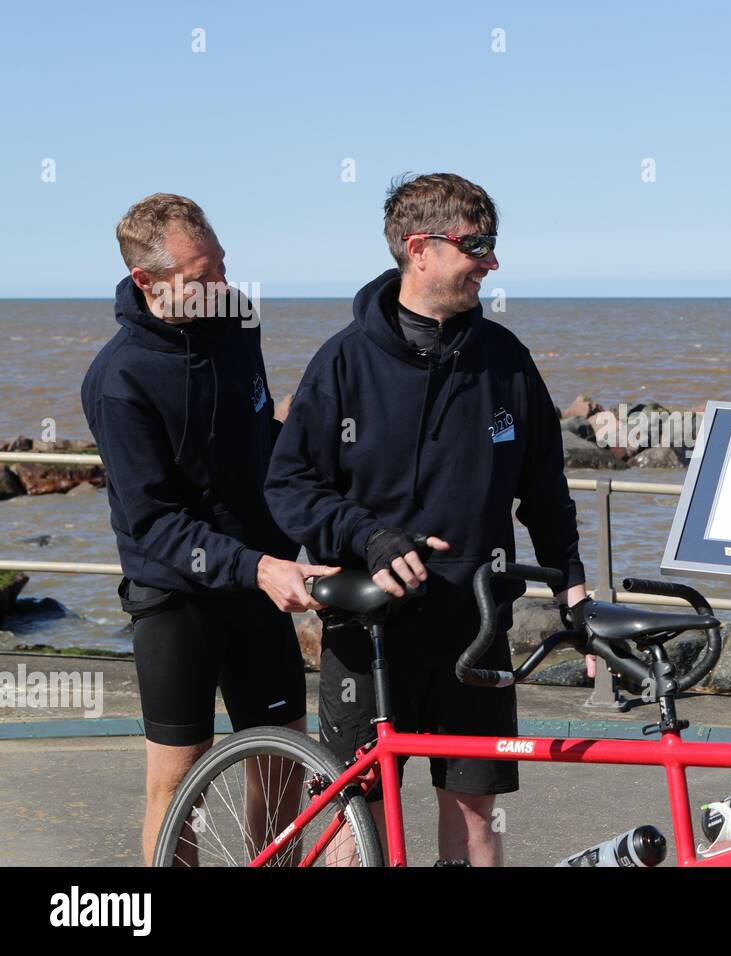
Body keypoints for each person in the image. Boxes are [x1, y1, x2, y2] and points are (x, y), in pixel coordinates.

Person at [265, 172, 588, 867]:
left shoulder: (506, 361)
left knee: (475, 816)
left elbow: (545, 487)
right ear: (420, 248)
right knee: (360, 817)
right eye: (478, 245)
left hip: (475, 624)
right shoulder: (342, 363)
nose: (491, 262)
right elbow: (288, 485)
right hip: (368, 626)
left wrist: (574, 586)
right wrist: (369, 536)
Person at [80, 194, 335, 863]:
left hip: (257, 581)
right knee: (176, 786)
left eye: (223, 266)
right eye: (203, 278)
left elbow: (256, 433)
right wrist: (258, 566)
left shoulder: (237, 320)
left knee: (283, 761)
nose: (223, 287)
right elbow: (152, 522)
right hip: (176, 594)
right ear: (149, 283)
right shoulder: (118, 381)